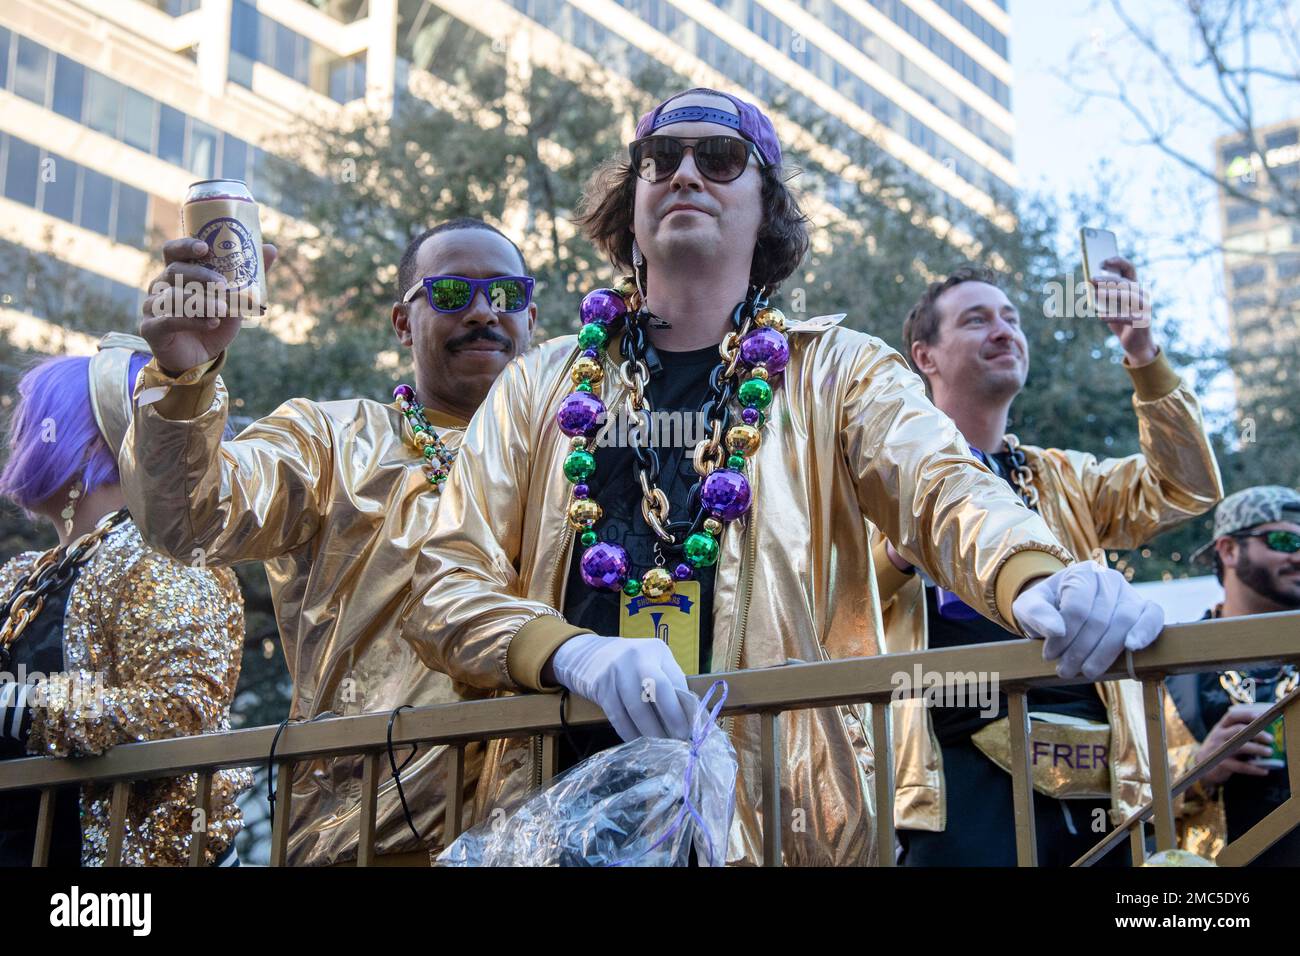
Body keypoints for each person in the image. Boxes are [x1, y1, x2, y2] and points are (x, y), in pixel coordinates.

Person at [401, 88, 1167, 865]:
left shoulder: (841, 370)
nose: (686, 175)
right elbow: (441, 583)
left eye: (721, 158)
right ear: (630, 203)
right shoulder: (537, 384)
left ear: (766, 205)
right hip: (551, 817)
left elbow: (940, 487)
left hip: (773, 823)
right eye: (660, 159)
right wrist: (571, 653)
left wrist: (1035, 577)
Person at [118, 219, 537, 866]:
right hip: (359, 840)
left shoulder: (578, 462)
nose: (483, 312)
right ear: (403, 323)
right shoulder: (331, 441)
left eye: (506, 295)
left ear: (531, 317)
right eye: (452, 293)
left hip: (546, 836)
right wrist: (182, 373)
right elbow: (188, 517)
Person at [875, 264, 1222, 866]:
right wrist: (904, 548)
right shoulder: (882, 475)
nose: (1005, 331)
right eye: (977, 319)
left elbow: (1186, 486)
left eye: (1012, 318)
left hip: (1101, 772)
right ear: (924, 356)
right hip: (953, 773)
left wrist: (1141, 349)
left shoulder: (1063, 477)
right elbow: (827, 596)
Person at [0, 334, 249, 866]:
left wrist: (25, 709)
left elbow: (179, 711)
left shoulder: (167, 555)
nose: (18, 438)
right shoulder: (25, 573)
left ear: (92, 443)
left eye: (34, 421)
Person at [1166, 486, 1300, 865]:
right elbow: (1121, 786)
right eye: (1283, 539)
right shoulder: (1167, 663)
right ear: (1228, 549)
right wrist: (1199, 768)